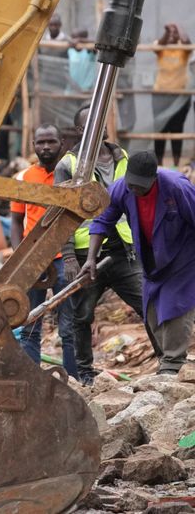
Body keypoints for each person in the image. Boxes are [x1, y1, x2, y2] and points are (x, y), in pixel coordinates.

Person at [83, 151, 195, 375]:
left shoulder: (176, 187)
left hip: (183, 256)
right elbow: (102, 221)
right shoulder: (120, 188)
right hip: (151, 257)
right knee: (151, 309)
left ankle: (173, 363)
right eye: (132, 184)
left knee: (175, 306)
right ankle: (165, 359)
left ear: (154, 178)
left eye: (141, 186)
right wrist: (90, 258)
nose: (135, 189)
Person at [54, 106, 143, 384]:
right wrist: (69, 257)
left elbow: (136, 202)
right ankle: (85, 375)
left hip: (124, 250)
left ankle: (168, 364)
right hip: (85, 255)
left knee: (148, 304)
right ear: (80, 131)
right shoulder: (67, 165)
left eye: (102, 121)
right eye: (93, 123)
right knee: (81, 317)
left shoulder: (122, 156)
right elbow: (60, 214)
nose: (101, 126)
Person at [10, 125, 76, 377]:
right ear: (33, 145)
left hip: (64, 259)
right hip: (33, 259)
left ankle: (74, 379)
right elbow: (16, 221)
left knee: (69, 326)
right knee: (29, 324)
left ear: (62, 143)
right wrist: (20, 257)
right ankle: (32, 378)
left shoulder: (71, 174)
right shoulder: (24, 177)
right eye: (40, 142)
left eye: (51, 141)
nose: (45, 147)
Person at [153, 23, 192, 166]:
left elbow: (187, 41)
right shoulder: (160, 46)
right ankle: (159, 164)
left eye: (174, 33)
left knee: (177, 129)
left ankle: (176, 164)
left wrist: (177, 27)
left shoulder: (183, 48)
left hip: (179, 97)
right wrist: (167, 31)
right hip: (160, 96)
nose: (171, 35)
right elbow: (159, 44)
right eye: (169, 33)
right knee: (160, 130)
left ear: (179, 35)